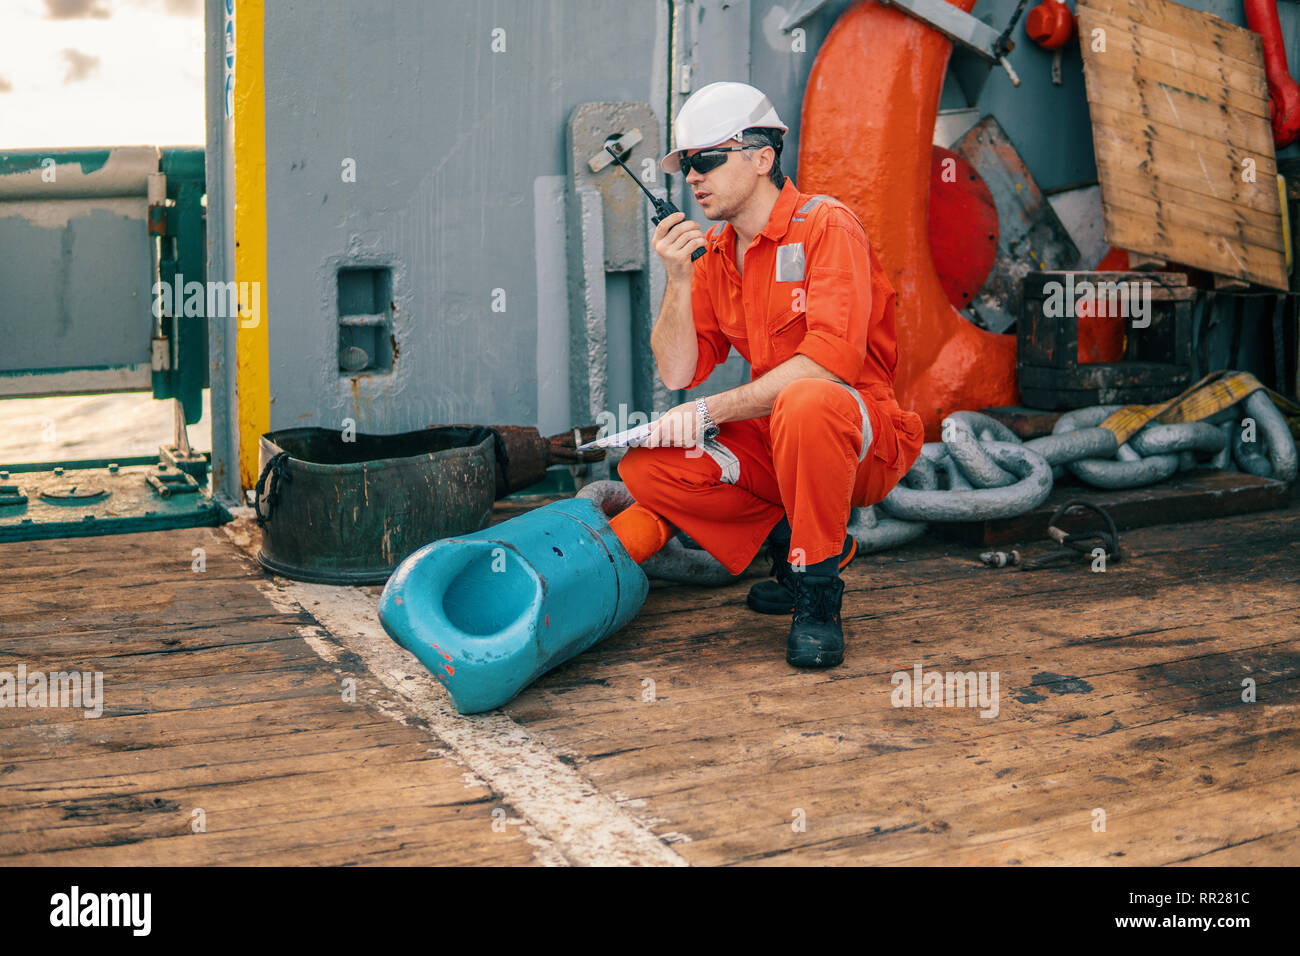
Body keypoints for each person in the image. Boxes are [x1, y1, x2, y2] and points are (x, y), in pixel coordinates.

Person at [617, 81, 924, 668]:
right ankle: (789, 547)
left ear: (763, 158)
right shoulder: (712, 252)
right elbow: (678, 369)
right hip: (779, 437)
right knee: (649, 467)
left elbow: (830, 368)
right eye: (687, 166)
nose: (694, 178)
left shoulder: (827, 227)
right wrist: (677, 280)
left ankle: (816, 594)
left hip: (859, 438)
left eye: (706, 159)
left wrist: (709, 413)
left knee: (807, 400)